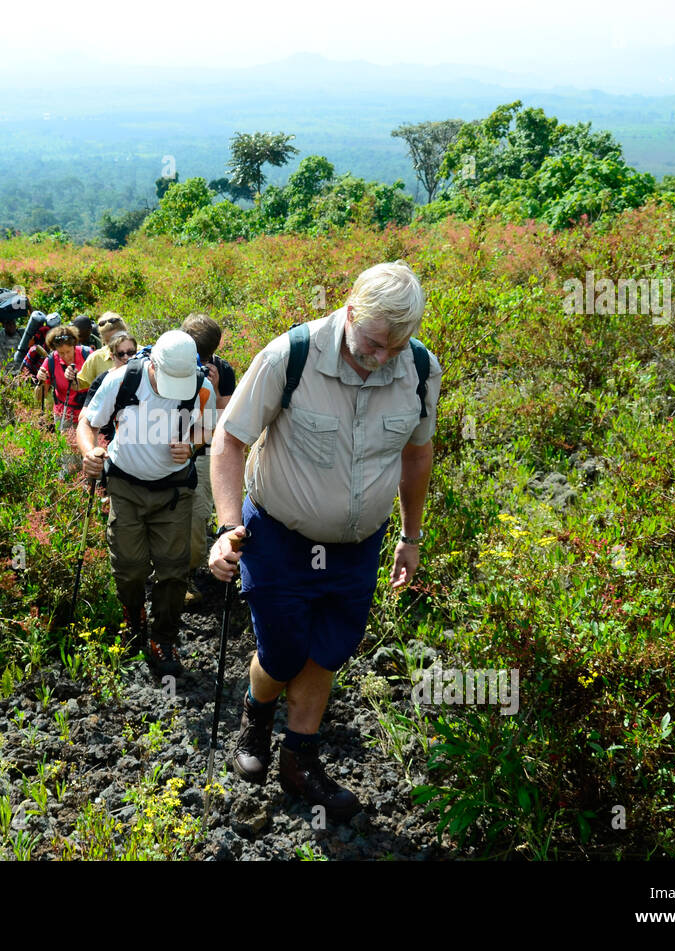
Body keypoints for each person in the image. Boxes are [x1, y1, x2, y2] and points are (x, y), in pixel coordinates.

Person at [207, 261, 442, 822]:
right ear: (351, 309)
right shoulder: (290, 356)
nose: (381, 356)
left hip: (358, 546)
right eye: (373, 342)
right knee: (285, 650)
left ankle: (298, 759)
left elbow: (416, 453)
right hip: (279, 538)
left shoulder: (419, 368)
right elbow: (230, 438)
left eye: (397, 345)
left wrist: (411, 536)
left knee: (329, 648)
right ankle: (256, 715)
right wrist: (224, 524)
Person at [78, 330, 216, 677]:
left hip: (174, 491)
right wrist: (90, 452)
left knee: (173, 569)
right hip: (126, 485)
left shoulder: (201, 386)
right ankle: (134, 614)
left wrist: (193, 446)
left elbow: (210, 429)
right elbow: (87, 421)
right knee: (129, 566)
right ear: (152, 363)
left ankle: (163, 639)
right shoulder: (122, 380)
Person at [179, 313, 237, 609]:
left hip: (204, 452)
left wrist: (213, 390)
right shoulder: (174, 363)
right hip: (169, 446)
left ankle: (188, 573)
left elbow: (227, 417)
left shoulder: (223, 370)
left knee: (196, 515)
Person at [76, 313, 129, 393]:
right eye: (108, 341)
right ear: (103, 340)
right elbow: (79, 384)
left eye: (117, 339)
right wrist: (70, 376)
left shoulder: (142, 354)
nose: (113, 344)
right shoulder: (96, 358)